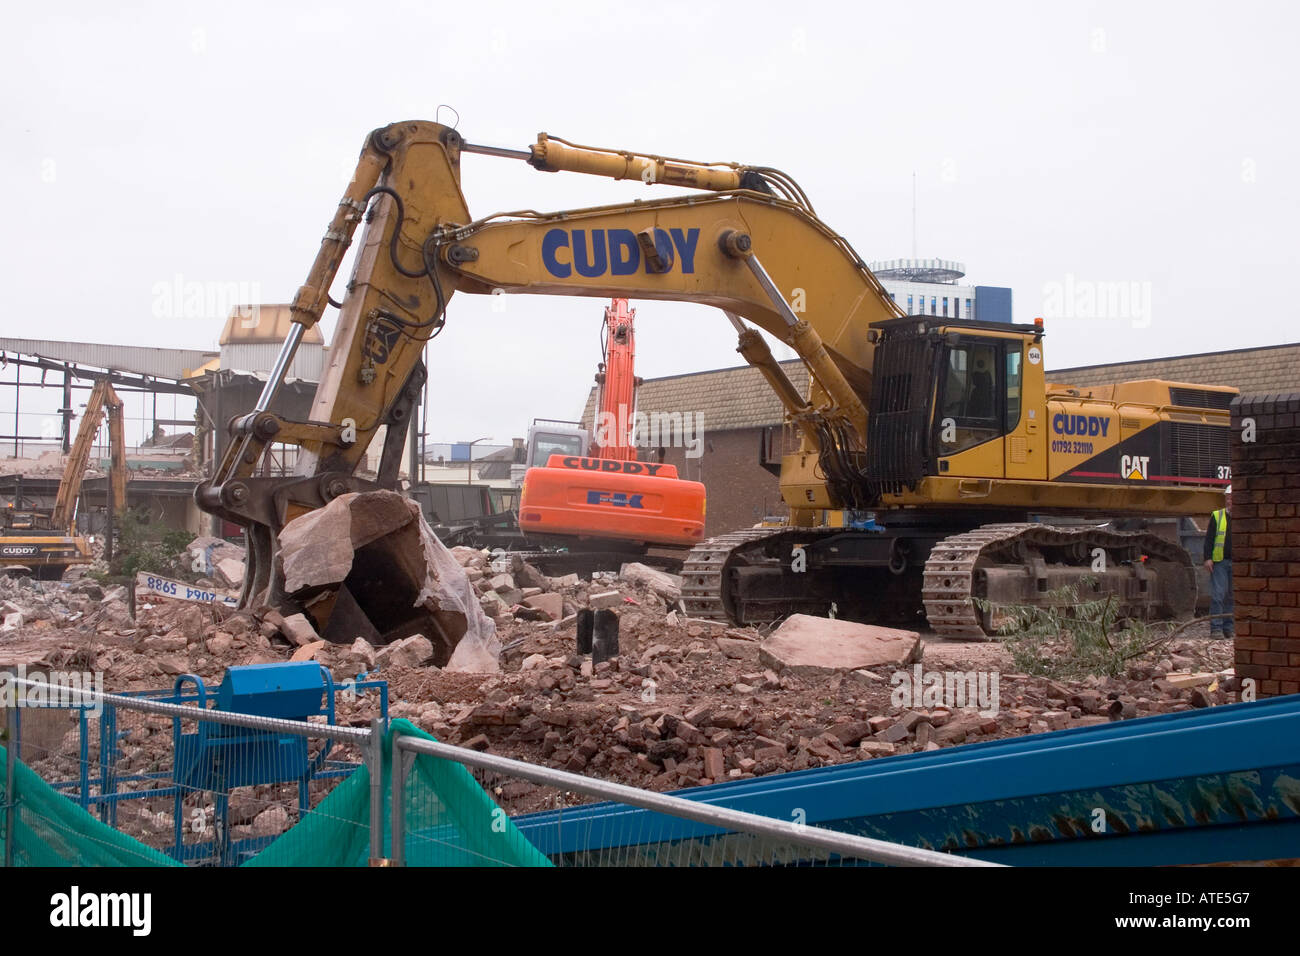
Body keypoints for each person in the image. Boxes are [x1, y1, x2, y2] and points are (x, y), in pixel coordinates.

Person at [1203, 486, 1233, 640]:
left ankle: (1229, 629)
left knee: (1231, 597)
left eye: (1232, 497)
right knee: (1218, 595)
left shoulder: (1246, 517)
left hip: (1237, 563)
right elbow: (1209, 539)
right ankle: (1216, 629)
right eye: (1228, 497)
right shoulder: (1217, 516)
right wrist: (1208, 558)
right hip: (1220, 561)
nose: (1230, 500)